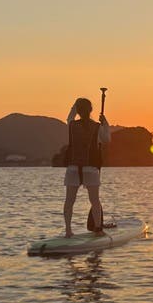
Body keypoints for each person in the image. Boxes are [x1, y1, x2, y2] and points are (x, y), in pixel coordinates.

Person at [63, 96, 111, 237]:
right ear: (91, 110)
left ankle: (68, 231)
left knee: (69, 201)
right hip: (90, 169)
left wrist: (75, 104)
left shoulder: (71, 125)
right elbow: (107, 140)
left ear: (78, 110)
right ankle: (98, 229)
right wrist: (105, 123)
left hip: (73, 168)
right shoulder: (97, 127)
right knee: (95, 201)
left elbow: (70, 116)